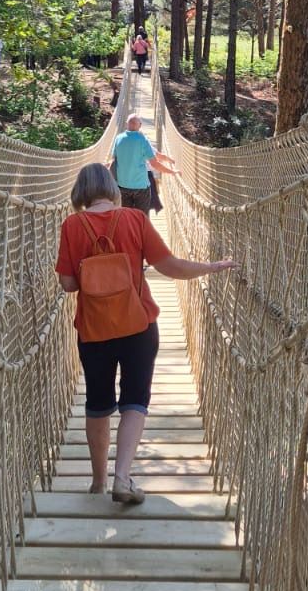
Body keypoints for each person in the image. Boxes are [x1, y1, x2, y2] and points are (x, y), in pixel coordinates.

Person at [55, 163, 232, 503]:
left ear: (80, 191)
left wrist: (92, 275)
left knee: (97, 404)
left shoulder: (71, 225)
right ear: (112, 187)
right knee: (135, 401)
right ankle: (123, 478)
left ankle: (98, 483)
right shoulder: (135, 219)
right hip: (138, 325)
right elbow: (170, 266)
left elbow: (67, 284)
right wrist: (212, 267)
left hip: (93, 330)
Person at [110, 111, 178, 214]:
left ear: (127, 124)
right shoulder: (142, 140)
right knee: (141, 217)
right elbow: (154, 163)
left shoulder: (118, 139)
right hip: (140, 187)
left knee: (126, 216)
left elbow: (113, 161)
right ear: (140, 125)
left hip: (122, 185)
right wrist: (172, 172)